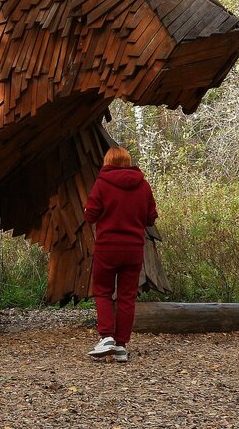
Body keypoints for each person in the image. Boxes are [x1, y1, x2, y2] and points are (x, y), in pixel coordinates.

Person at [83, 146, 157, 362]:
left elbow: (91, 216)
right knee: (126, 297)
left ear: (108, 162)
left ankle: (106, 337)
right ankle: (121, 346)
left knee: (103, 292)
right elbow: (150, 218)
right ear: (127, 161)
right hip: (133, 249)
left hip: (108, 247)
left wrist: (88, 210)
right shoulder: (143, 185)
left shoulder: (102, 184)